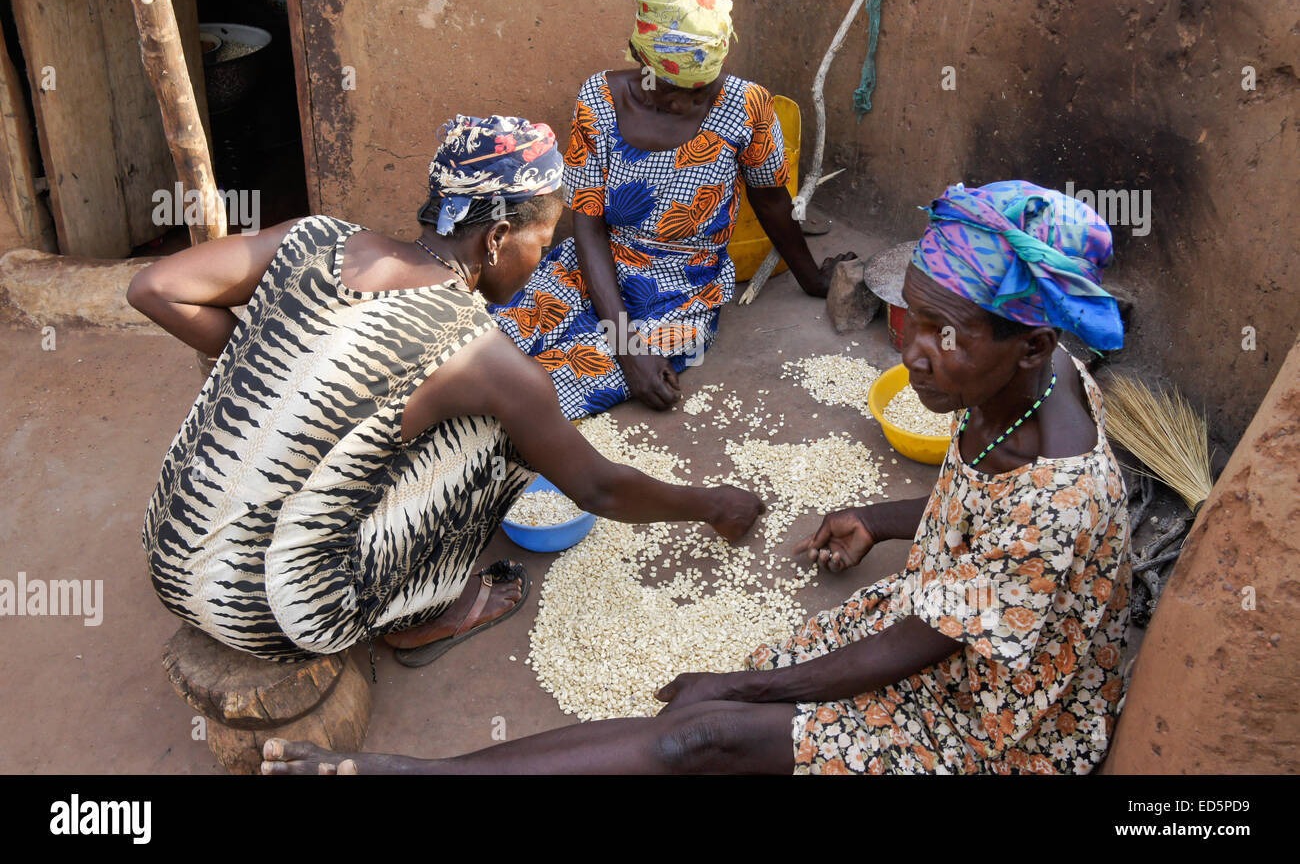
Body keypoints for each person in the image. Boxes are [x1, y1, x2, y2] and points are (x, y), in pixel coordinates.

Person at [259, 180, 1132, 774]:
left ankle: (412, 775)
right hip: (944, 616)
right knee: (704, 722)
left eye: (948, 336)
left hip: (990, 729)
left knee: (704, 732)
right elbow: (978, 512)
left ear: (1033, 342)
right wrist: (880, 513)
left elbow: (931, 640)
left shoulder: (1059, 490)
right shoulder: (1019, 385)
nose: (916, 355)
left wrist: (745, 688)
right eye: (913, 322)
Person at [130, 115, 761, 668]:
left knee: (391, 419)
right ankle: (427, 609)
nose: (542, 260)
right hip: (275, 613)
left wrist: (260, 357)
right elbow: (596, 487)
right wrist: (709, 504)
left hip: (168, 549)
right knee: (511, 433)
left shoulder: (316, 237)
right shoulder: (481, 352)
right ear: (496, 238)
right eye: (541, 243)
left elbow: (152, 289)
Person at [491, 0, 855, 419]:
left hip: (683, 291)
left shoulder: (748, 106)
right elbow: (587, 223)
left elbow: (772, 202)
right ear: (641, 58)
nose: (686, 105)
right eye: (668, 88)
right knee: (492, 344)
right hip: (594, 266)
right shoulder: (600, 99)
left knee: (555, 386)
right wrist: (627, 346)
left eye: (702, 90)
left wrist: (812, 279)